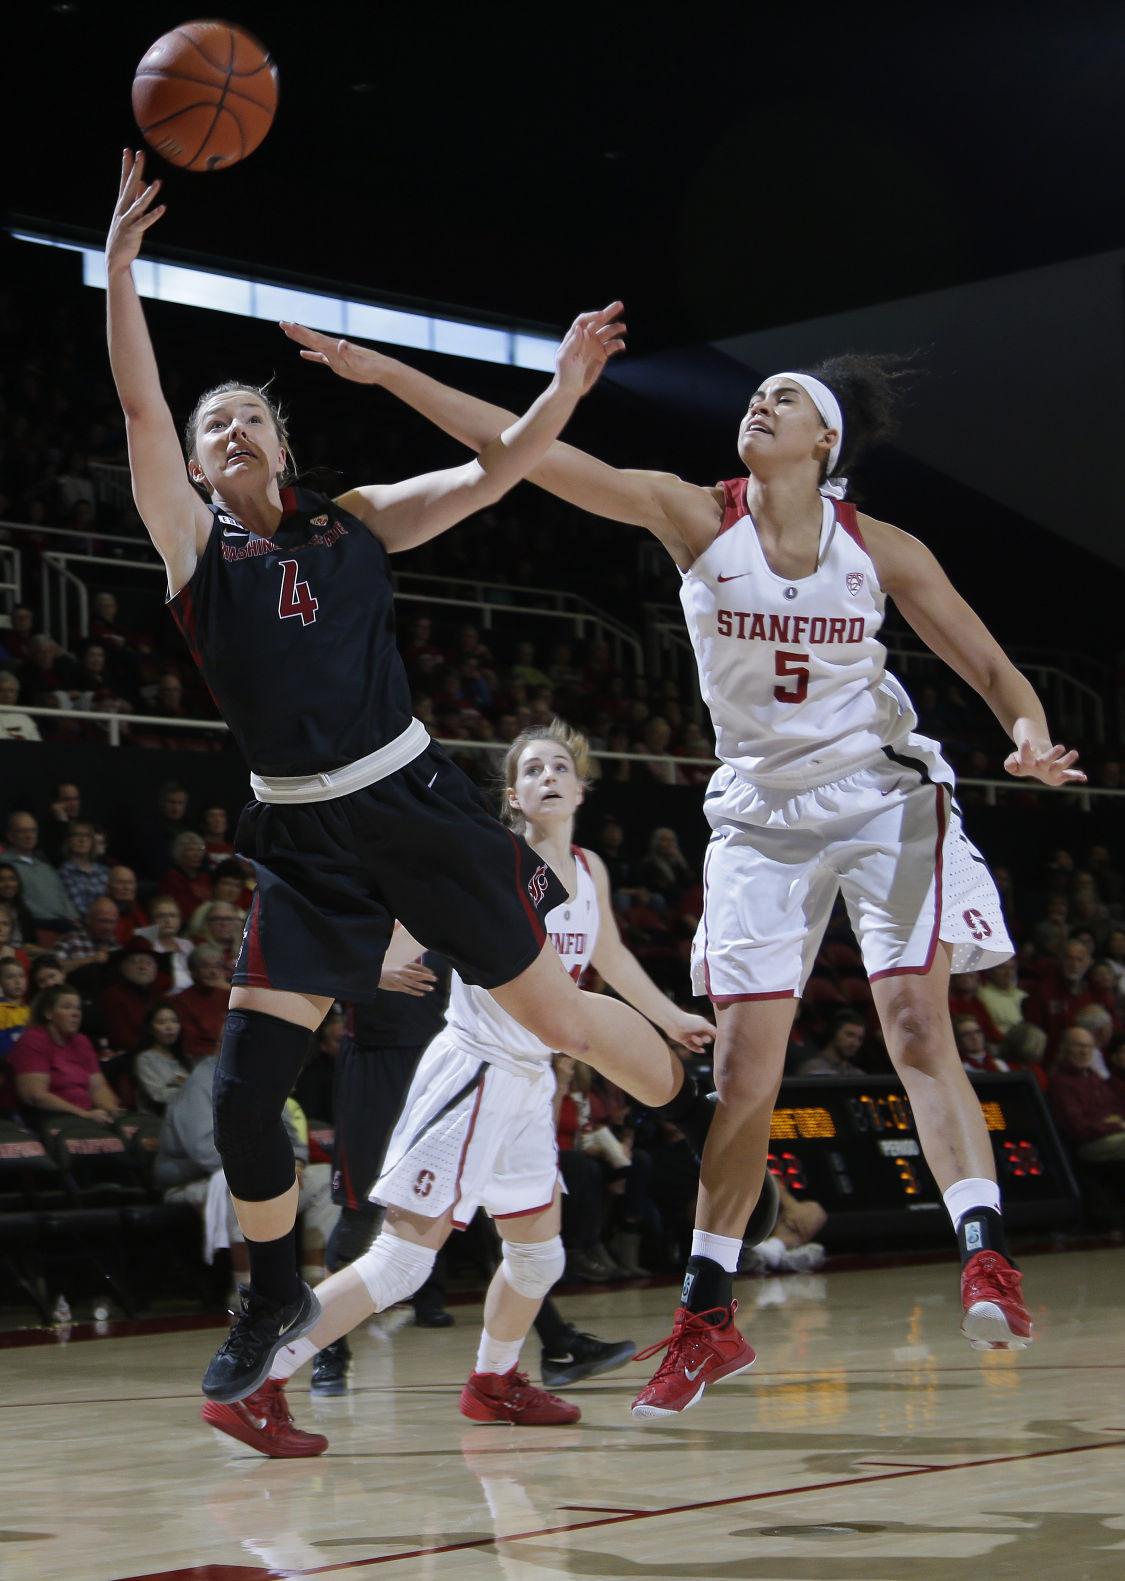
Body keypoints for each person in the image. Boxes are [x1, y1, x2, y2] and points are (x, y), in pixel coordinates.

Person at [311, 336, 1091, 1409]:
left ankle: (984, 1250)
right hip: (759, 818)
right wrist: (391, 377)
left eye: (784, 399)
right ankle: (708, 1315)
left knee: (914, 1021)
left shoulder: (884, 549)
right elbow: (520, 451)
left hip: (879, 796)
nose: (758, 405)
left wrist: (1028, 732)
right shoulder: (693, 515)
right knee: (746, 1076)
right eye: (756, 394)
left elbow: (996, 668)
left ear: (826, 440)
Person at [107, 152, 715, 1406]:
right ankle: (276, 1298)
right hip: (302, 840)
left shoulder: (359, 521)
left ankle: (666, 1067)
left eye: (251, 417)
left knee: (554, 1023)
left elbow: (498, 472)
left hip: (414, 809)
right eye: (214, 421)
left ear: (286, 442)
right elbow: (138, 415)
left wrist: (560, 387)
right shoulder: (189, 546)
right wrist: (118, 271)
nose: (227, 430)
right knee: (242, 1099)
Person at [202, 719, 715, 1455]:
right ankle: (264, 1382)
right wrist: (368, 962)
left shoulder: (589, 867)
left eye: (559, 765)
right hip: (474, 1069)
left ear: (581, 782)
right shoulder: (486, 853)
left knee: (539, 1256)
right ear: (512, 792)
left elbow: (609, 958)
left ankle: (492, 1381)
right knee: (403, 1258)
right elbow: (406, 917)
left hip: (530, 1079)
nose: (546, 775)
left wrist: (666, 1020)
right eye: (531, 767)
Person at [10, 986, 124, 1127]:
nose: (76, 1013)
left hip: (85, 1117)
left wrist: (111, 1110)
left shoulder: (82, 1041)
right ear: (48, 1013)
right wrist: (84, 1115)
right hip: (46, 1119)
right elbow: (35, 1096)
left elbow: (98, 1087)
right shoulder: (33, 1039)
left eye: (78, 1008)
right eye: (67, 1007)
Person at [133, 1002, 190, 1113]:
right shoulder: (145, 1059)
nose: (169, 1027)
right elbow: (158, 1096)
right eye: (161, 1022)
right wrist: (191, 1090)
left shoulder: (183, 1057)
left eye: (174, 1021)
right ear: (150, 1028)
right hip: (159, 1117)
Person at [796, 1009, 868, 1076]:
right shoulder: (813, 1068)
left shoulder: (858, 1074)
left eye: (860, 1039)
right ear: (834, 1033)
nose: (855, 1043)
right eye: (849, 1035)